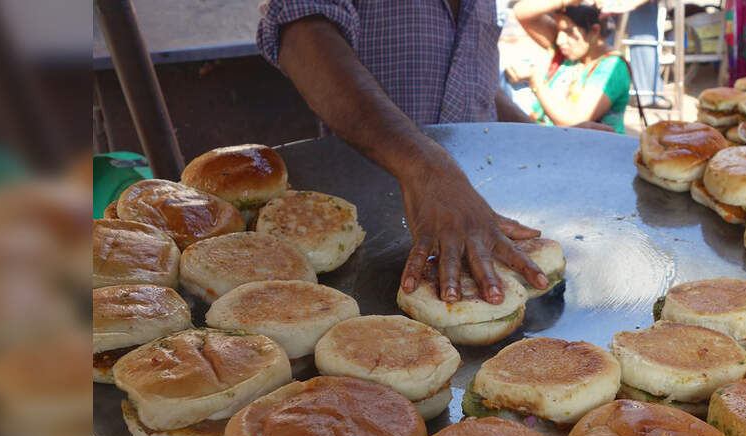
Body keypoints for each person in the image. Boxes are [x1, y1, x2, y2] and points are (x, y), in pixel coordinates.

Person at [256, 0, 549, 305]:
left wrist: (544, 139)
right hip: (367, 250)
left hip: (478, 227)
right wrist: (426, 168)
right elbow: (303, 36)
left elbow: (473, 80)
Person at [509, 1, 632, 133]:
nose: (559, 40)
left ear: (594, 31)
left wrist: (536, 82)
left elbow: (574, 122)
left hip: (591, 148)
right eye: (558, 30)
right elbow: (521, 12)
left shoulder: (612, 66)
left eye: (568, 31)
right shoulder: (568, 51)